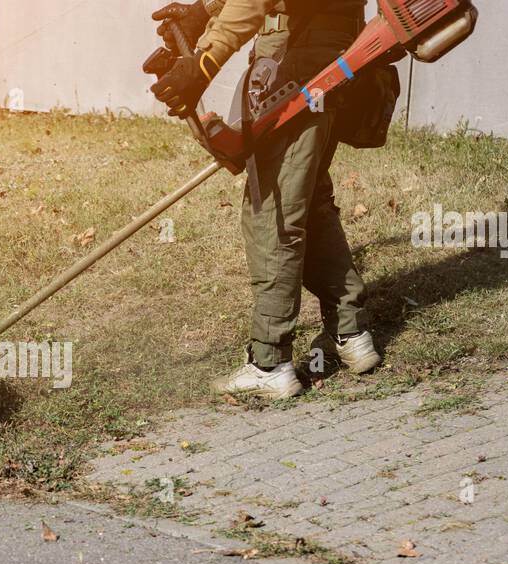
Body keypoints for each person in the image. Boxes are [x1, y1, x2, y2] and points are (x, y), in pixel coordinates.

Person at [150, 0, 382, 399]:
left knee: (272, 211)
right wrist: (205, 9)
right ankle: (351, 332)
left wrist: (206, 59)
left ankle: (270, 363)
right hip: (335, 52)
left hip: (301, 62)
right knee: (308, 202)